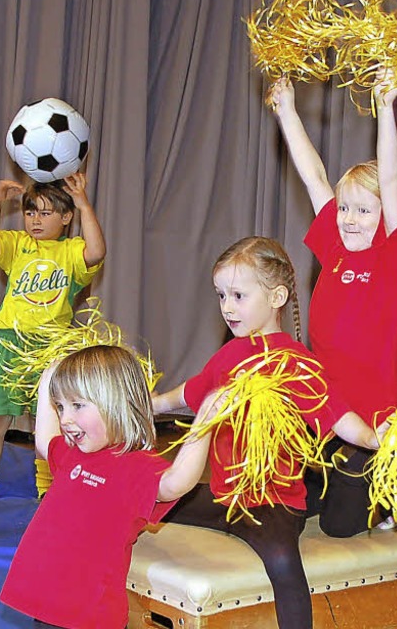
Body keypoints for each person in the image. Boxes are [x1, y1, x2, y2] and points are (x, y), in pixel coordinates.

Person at [152, 236, 382, 629]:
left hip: (272, 502)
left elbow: (338, 416)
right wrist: (150, 403)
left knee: (281, 561)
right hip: (225, 496)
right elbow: (192, 393)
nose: (226, 307)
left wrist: (373, 439)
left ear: (276, 297)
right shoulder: (229, 353)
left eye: (238, 295)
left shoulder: (295, 363)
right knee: (146, 501)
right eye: (221, 295)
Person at [271, 73, 397, 537]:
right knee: (291, 510)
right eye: (346, 208)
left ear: (385, 216)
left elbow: (390, 177)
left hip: (372, 424)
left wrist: (386, 108)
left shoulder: (392, 253)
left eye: (364, 210)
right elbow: (313, 176)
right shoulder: (334, 244)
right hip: (325, 416)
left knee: (339, 526)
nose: (350, 219)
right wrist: (287, 111)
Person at [0, 345, 217, 629]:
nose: (65, 419)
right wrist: (46, 384)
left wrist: (205, 423)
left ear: (117, 403)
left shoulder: (135, 466)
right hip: (48, 607)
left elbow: (177, 482)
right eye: (60, 406)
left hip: (90, 616)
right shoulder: (73, 455)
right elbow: (44, 440)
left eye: (77, 405)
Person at [0, 175, 105, 503]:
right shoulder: (17, 245)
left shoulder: (71, 250)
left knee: (47, 421)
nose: (35, 220)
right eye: (30, 212)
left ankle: (47, 489)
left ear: (66, 218)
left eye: (45, 213)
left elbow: (96, 252)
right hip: (9, 345)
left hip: (50, 349)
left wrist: (83, 204)